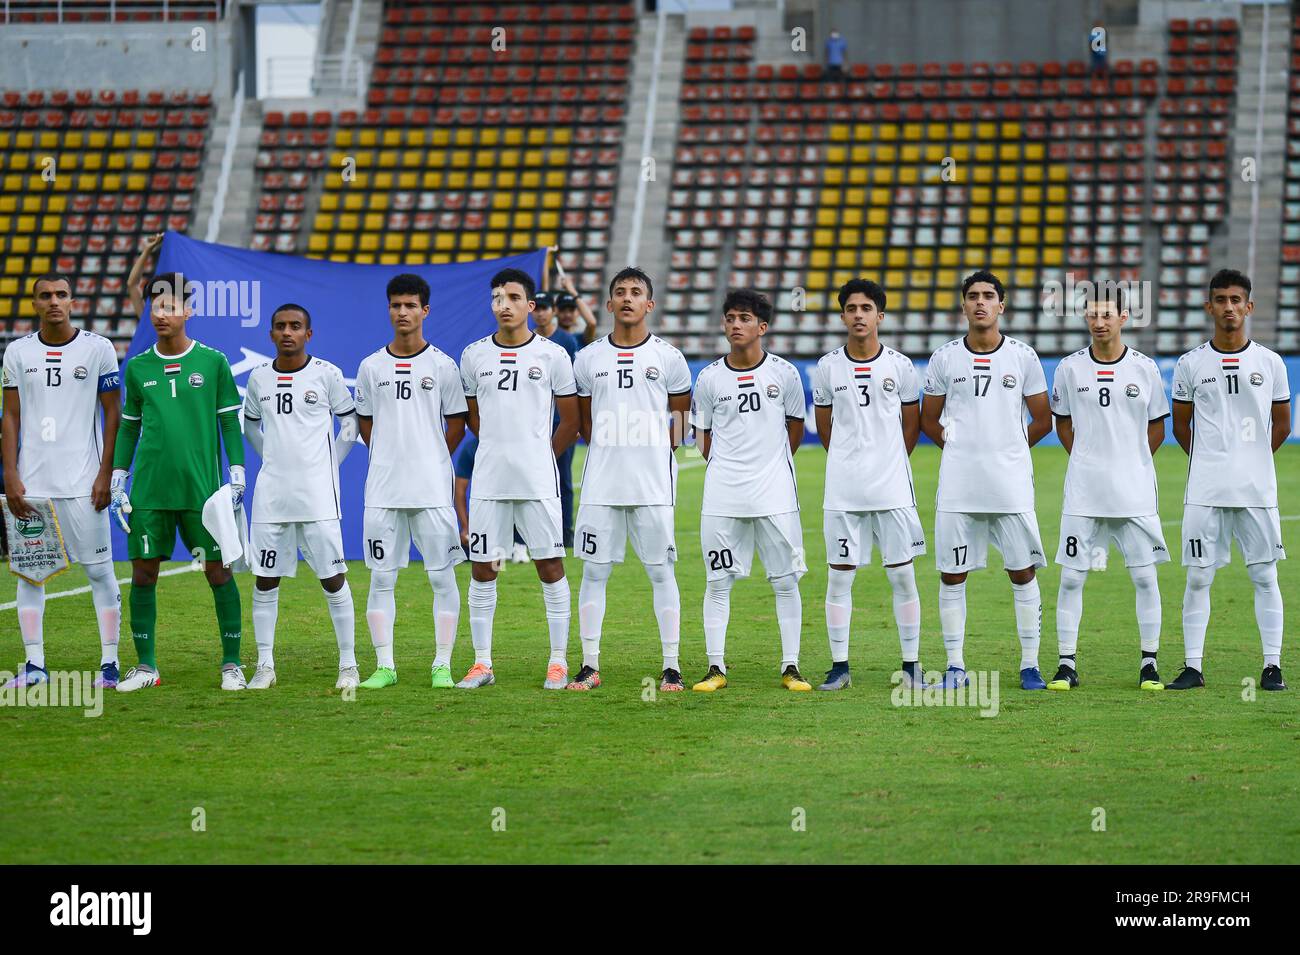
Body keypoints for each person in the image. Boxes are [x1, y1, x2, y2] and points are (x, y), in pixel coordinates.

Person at [110, 272, 247, 692]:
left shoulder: (213, 362)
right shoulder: (138, 368)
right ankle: (147, 666)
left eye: (170, 306)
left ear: (189, 311)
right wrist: (119, 477)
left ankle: (232, 665)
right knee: (144, 574)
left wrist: (237, 473)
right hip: (149, 493)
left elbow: (228, 422)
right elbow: (130, 427)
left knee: (219, 573)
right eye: (156, 306)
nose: (162, 314)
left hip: (201, 494)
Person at [920, 270, 1053, 691]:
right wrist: (961, 449)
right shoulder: (944, 358)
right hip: (959, 487)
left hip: (1010, 486)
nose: (980, 302)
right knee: (952, 574)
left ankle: (1030, 665)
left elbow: (1043, 419)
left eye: (988, 296)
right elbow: (927, 418)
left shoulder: (1023, 356)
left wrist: (1008, 449)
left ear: (1002, 304)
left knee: (1022, 572)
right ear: (963, 306)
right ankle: (955, 666)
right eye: (973, 296)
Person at [1167, 269, 1291, 691]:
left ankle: (1272, 667)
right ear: (1209, 307)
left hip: (1257, 491)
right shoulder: (1190, 363)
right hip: (1205, 491)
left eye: (1236, 300)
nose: (1229, 307)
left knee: (1264, 576)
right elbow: (1181, 428)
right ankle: (1192, 667)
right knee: (1199, 576)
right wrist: (1210, 461)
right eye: (1220, 300)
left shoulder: (1271, 363)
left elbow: (1282, 424)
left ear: (1249, 307)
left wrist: (1249, 459)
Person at [457, 268, 580, 689]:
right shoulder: (473, 355)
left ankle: (559, 662)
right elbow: (475, 418)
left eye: (512, 297)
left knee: (549, 566)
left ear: (530, 306)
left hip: (537, 482)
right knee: (483, 569)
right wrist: (499, 448)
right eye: (497, 298)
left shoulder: (553, 355)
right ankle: (482, 664)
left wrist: (540, 455)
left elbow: (572, 420)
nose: (503, 304)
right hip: (489, 481)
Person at [570, 267, 692, 691]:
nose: (627, 298)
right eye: (619, 292)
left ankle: (672, 665)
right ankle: (589, 665)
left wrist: (656, 453)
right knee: (594, 573)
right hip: (602, 485)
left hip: (652, 486)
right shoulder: (587, 358)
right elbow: (584, 424)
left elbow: (681, 417)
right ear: (608, 305)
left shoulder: (669, 357)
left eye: (635, 292)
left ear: (649, 304)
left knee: (662, 572)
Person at [1, 273, 123, 688]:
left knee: (100, 573)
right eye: (45, 296)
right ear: (34, 304)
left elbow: (113, 414)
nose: (54, 301)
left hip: (84, 484)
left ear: (73, 301)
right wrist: (11, 475)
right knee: (31, 574)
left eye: (61, 295)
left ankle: (109, 663)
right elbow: (11, 417)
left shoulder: (98, 349)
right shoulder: (17, 352)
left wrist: (106, 472)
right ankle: (34, 665)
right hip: (32, 485)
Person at [1048, 287, 1170, 692]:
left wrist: (1132, 461)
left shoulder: (1145, 368)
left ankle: (1149, 664)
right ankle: (1066, 664)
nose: (1099, 322)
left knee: (1144, 578)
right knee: (1071, 579)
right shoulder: (1068, 368)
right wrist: (1086, 456)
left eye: (1107, 315)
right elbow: (1062, 422)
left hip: (1133, 493)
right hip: (1083, 493)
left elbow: (1158, 426)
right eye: (1092, 315)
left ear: (1124, 317)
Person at [689, 288, 811, 693]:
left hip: (776, 496)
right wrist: (728, 468)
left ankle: (791, 667)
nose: (736, 325)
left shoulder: (785, 373)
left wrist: (772, 467)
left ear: (762, 327)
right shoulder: (708, 378)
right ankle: (715, 668)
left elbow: (795, 428)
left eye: (744, 318)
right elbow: (701, 436)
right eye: (730, 318)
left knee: (785, 581)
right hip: (723, 496)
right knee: (718, 582)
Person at [352, 274, 468, 690]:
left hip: (432, 491)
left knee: (441, 577)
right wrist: (390, 454)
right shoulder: (370, 366)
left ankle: (442, 664)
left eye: (410, 305)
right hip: (383, 491)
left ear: (425, 311)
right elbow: (365, 422)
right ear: (389, 310)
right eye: (395, 305)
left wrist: (432, 455)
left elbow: (457, 422)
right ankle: (385, 666)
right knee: (382, 577)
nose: (402, 312)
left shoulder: (442, 365)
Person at [809, 278, 925, 691]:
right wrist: (849, 459)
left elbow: (911, 425)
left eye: (866, 308)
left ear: (880, 315)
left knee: (902, 577)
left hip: (892, 489)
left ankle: (912, 668)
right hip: (843, 490)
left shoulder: (901, 366)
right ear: (842, 316)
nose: (858, 315)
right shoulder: (827, 367)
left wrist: (889, 461)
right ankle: (839, 666)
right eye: (851, 308)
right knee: (839, 577)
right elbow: (825, 427)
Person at [241, 303, 360, 689]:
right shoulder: (259, 378)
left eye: (295, 326)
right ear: (271, 335)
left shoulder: (327, 375)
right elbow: (251, 425)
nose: (287, 332)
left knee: (332, 578)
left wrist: (330, 464)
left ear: (309, 334)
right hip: (272, 496)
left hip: (318, 498)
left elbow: (350, 422)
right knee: (265, 578)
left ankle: (348, 664)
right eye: (280, 327)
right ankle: (264, 665)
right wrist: (272, 459)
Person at [532, 289, 579, 549]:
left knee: (562, 476)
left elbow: (571, 384)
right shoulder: (526, 341)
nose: (540, 312)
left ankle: (565, 530)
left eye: (545, 307)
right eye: (536, 308)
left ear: (553, 311)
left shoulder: (567, 341)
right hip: (536, 420)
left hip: (561, 419)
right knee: (535, 477)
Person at [554, 270, 598, 345]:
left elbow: (592, 323)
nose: (567, 314)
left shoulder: (582, 338)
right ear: (555, 311)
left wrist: (572, 291)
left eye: (571, 310)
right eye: (563, 310)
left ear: (578, 312)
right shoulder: (548, 339)